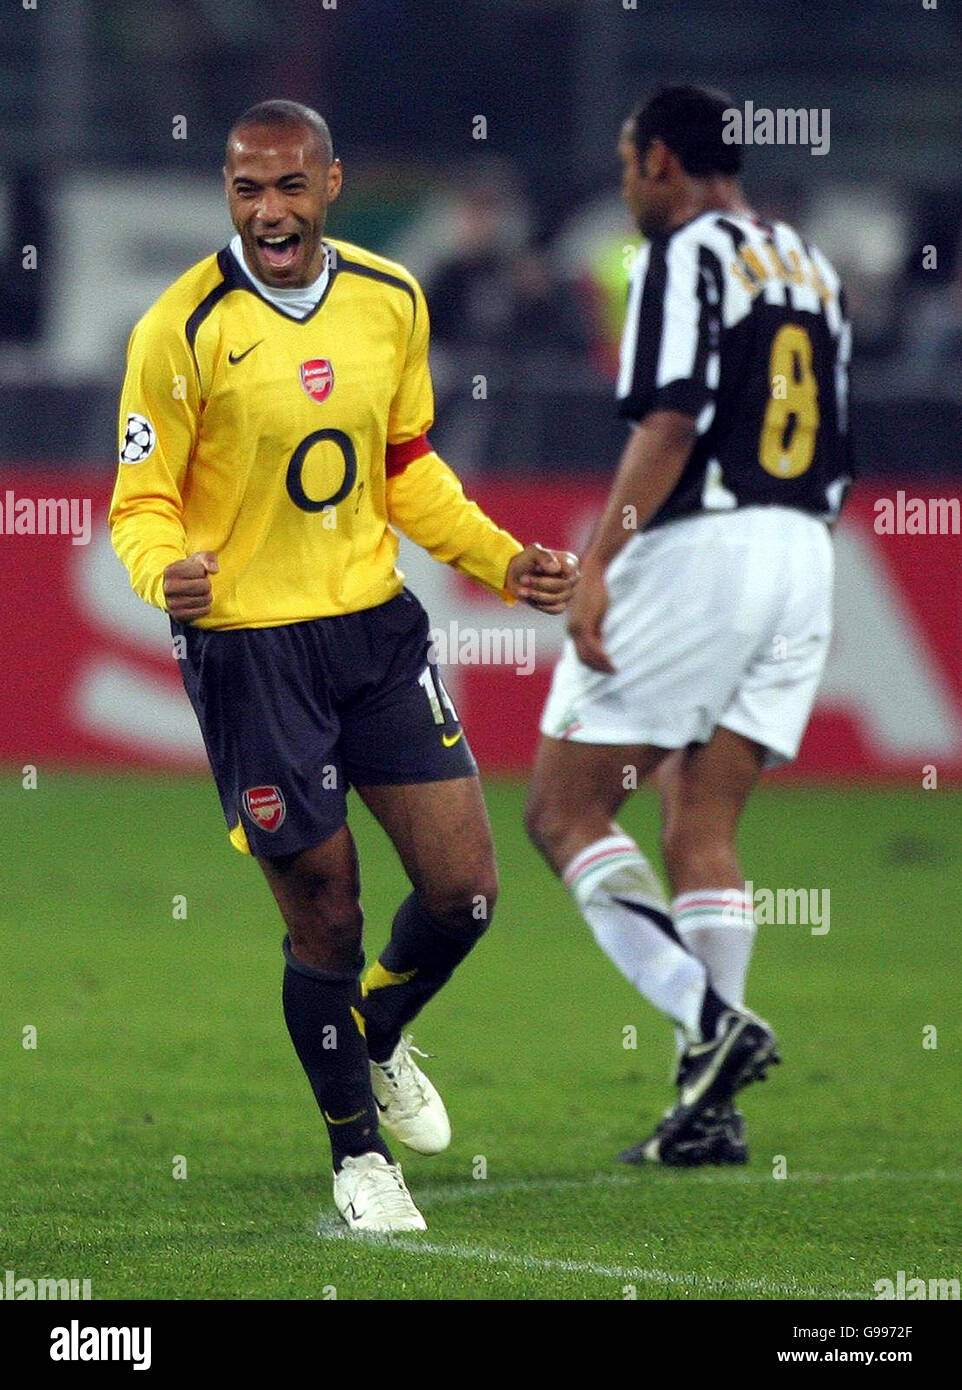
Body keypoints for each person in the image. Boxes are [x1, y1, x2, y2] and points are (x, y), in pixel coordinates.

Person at [109, 99, 577, 1231]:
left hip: (372, 628)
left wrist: (500, 560)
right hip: (250, 653)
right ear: (229, 197)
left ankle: (372, 1036)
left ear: (329, 184)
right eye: (243, 189)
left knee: (463, 893)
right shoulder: (180, 327)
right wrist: (162, 571)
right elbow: (140, 502)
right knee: (327, 915)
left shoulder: (390, 298)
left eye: (286, 186)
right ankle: (357, 1156)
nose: (266, 210)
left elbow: (404, 464)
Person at [526, 85, 853, 1165]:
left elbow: (670, 418)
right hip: (805, 553)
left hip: (705, 545)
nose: (625, 188)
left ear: (660, 159)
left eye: (627, 166)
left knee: (563, 811)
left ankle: (708, 1017)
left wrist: (600, 562)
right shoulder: (810, 262)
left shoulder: (683, 253)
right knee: (697, 822)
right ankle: (707, 1112)